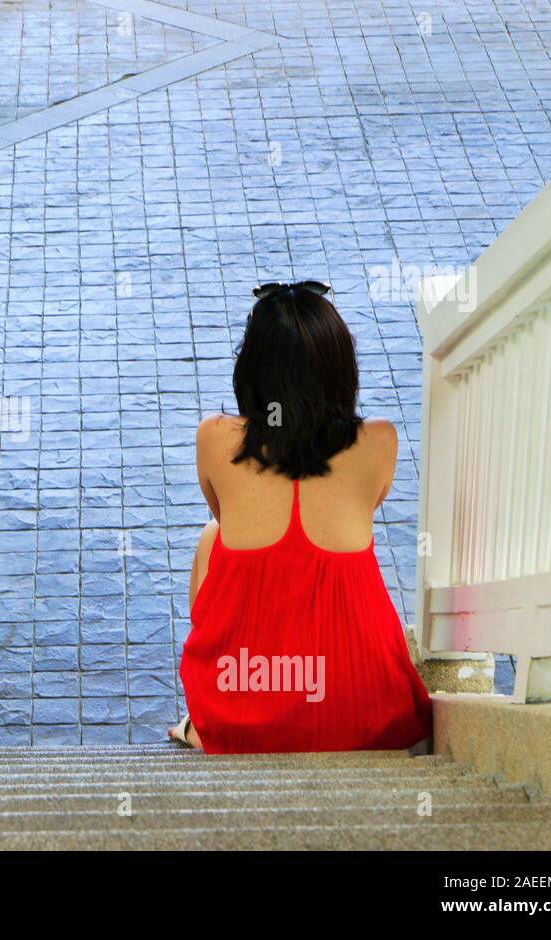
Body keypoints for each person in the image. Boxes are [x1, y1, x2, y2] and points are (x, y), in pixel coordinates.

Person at [170, 281, 432, 753]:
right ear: (339, 370)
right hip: (361, 711)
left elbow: (227, 517)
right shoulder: (379, 442)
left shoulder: (214, 437)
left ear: (251, 369)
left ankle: (203, 719)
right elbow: (359, 508)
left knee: (215, 535)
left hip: (245, 705)